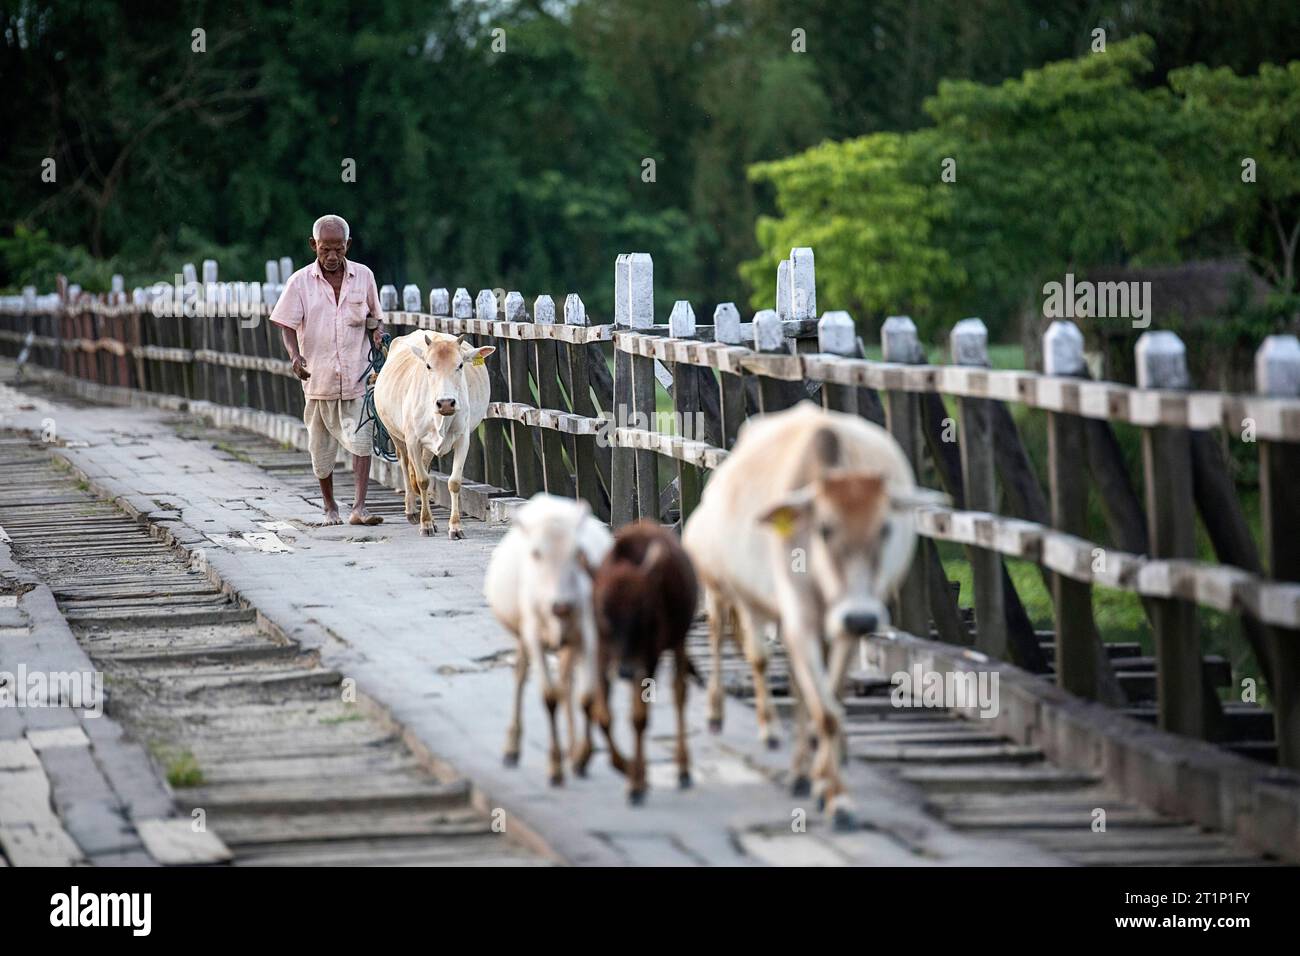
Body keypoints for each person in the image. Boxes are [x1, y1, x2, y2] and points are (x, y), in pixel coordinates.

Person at [269, 214, 385, 525]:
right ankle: (330, 505)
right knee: (320, 451)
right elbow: (286, 325)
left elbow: (375, 316)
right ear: (313, 246)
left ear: (348, 245)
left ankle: (358, 507)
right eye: (324, 250)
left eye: (338, 249)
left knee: (362, 439)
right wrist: (295, 357)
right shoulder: (300, 282)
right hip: (317, 379)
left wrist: (376, 332)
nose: (332, 256)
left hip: (356, 375)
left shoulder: (364, 277)